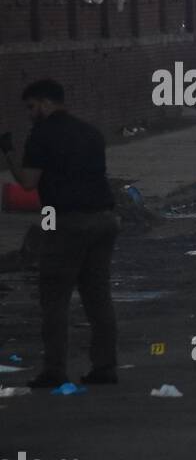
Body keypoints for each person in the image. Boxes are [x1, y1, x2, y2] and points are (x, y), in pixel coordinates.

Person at [0, 79, 119, 387]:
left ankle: (54, 370)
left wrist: (9, 153)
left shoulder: (43, 134)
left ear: (46, 103)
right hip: (104, 219)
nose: (30, 113)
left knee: (54, 299)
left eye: (31, 107)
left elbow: (27, 182)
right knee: (98, 298)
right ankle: (105, 366)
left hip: (66, 222)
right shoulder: (91, 133)